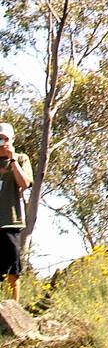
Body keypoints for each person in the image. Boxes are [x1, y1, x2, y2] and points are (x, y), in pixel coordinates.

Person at [0, 122, 33, 304]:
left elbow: (24, 184)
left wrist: (12, 160)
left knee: (13, 270)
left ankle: (15, 309)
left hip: (10, 222)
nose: (2, 142)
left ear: (12, 139)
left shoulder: (21, 159)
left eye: (5, 138)